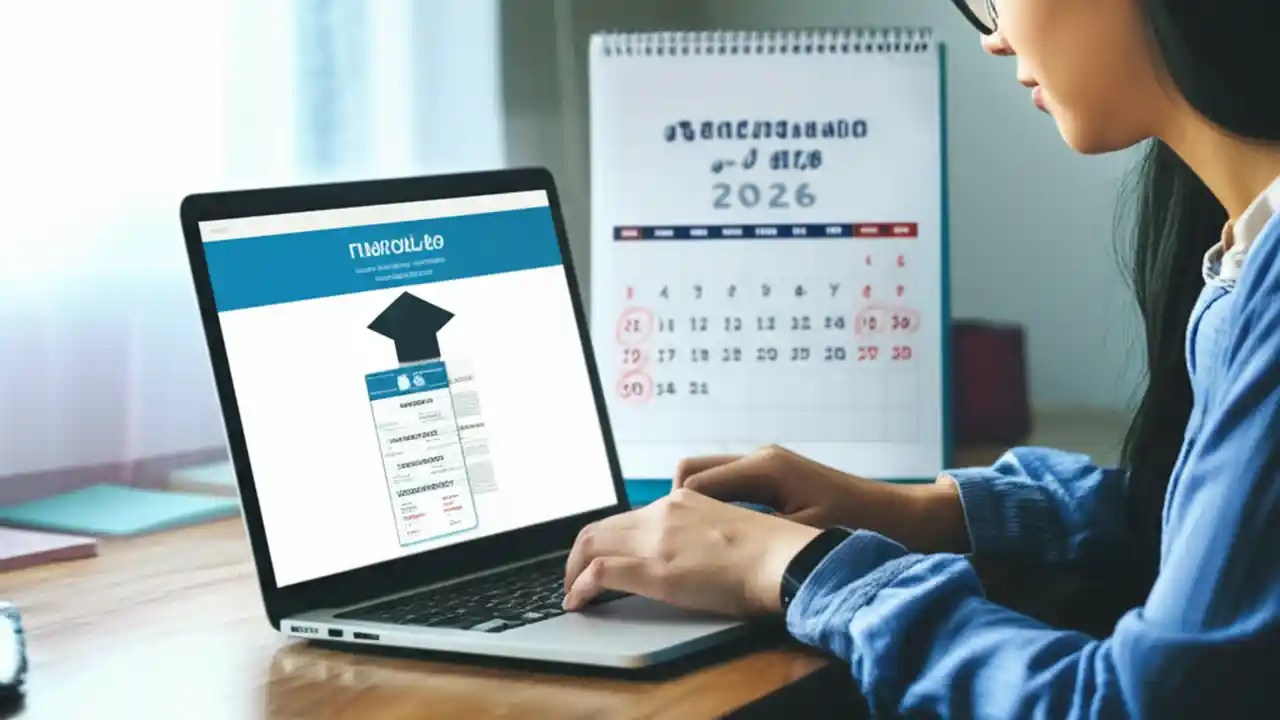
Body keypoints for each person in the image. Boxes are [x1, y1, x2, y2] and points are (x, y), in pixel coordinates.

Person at [561, 0, 1280, 716]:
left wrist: (795, 568)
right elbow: (1213, 522)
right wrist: (921, 511)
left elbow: (1136, 704)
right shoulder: (1249, 251)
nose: (995, 38)